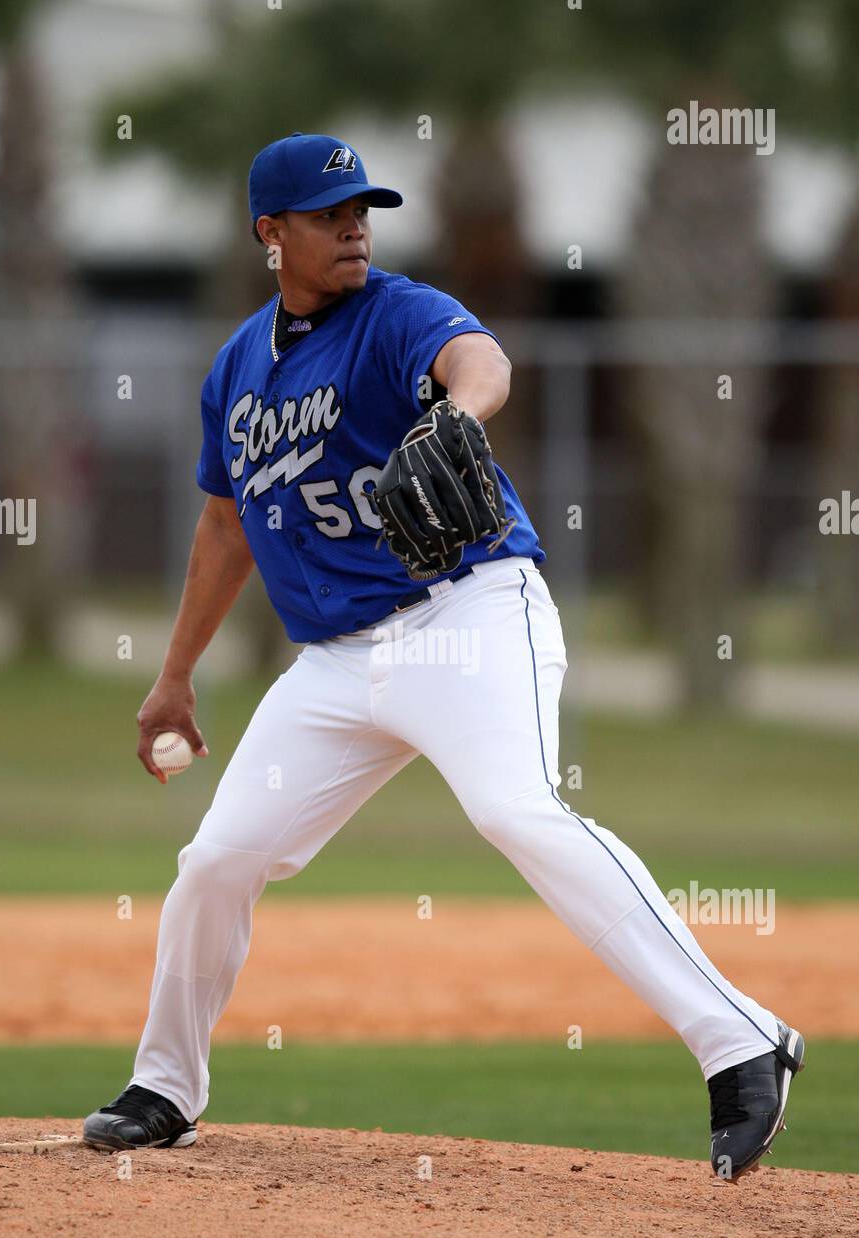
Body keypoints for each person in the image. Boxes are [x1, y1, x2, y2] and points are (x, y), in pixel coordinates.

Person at [83, 133, 804, 1181]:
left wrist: (457, 412)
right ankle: (166, 1085)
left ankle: (741, 1043)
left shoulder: (396, 312)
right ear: (268, 232)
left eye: (360, 208)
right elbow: (226, 526)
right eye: (328, 213)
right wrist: (174, 674)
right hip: (333, 663)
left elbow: (483, 362)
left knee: (515, 808)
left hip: (464, 614)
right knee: (215, 861)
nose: (353, 227)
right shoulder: (237, 368)